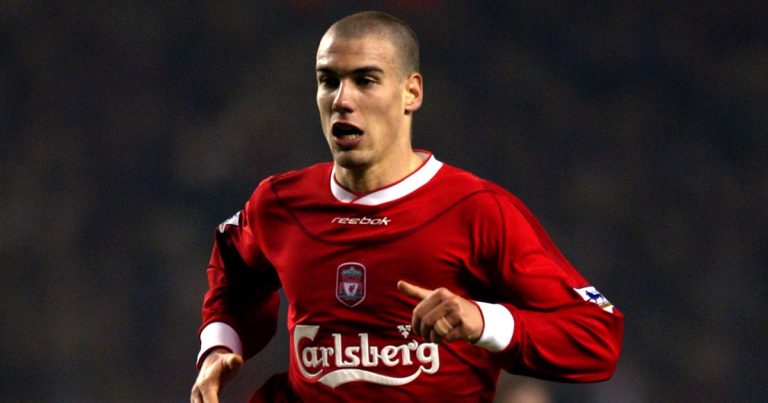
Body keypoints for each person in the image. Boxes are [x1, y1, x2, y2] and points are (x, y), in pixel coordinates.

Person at [190, 10, 623, 403]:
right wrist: (219, 346)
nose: (342, 99)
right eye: (328, 80)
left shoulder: (477, 211)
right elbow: (232, 270)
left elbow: (596, 336)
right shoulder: (280, 203)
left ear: (410, 92)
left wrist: (484, 321)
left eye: (365, 80)